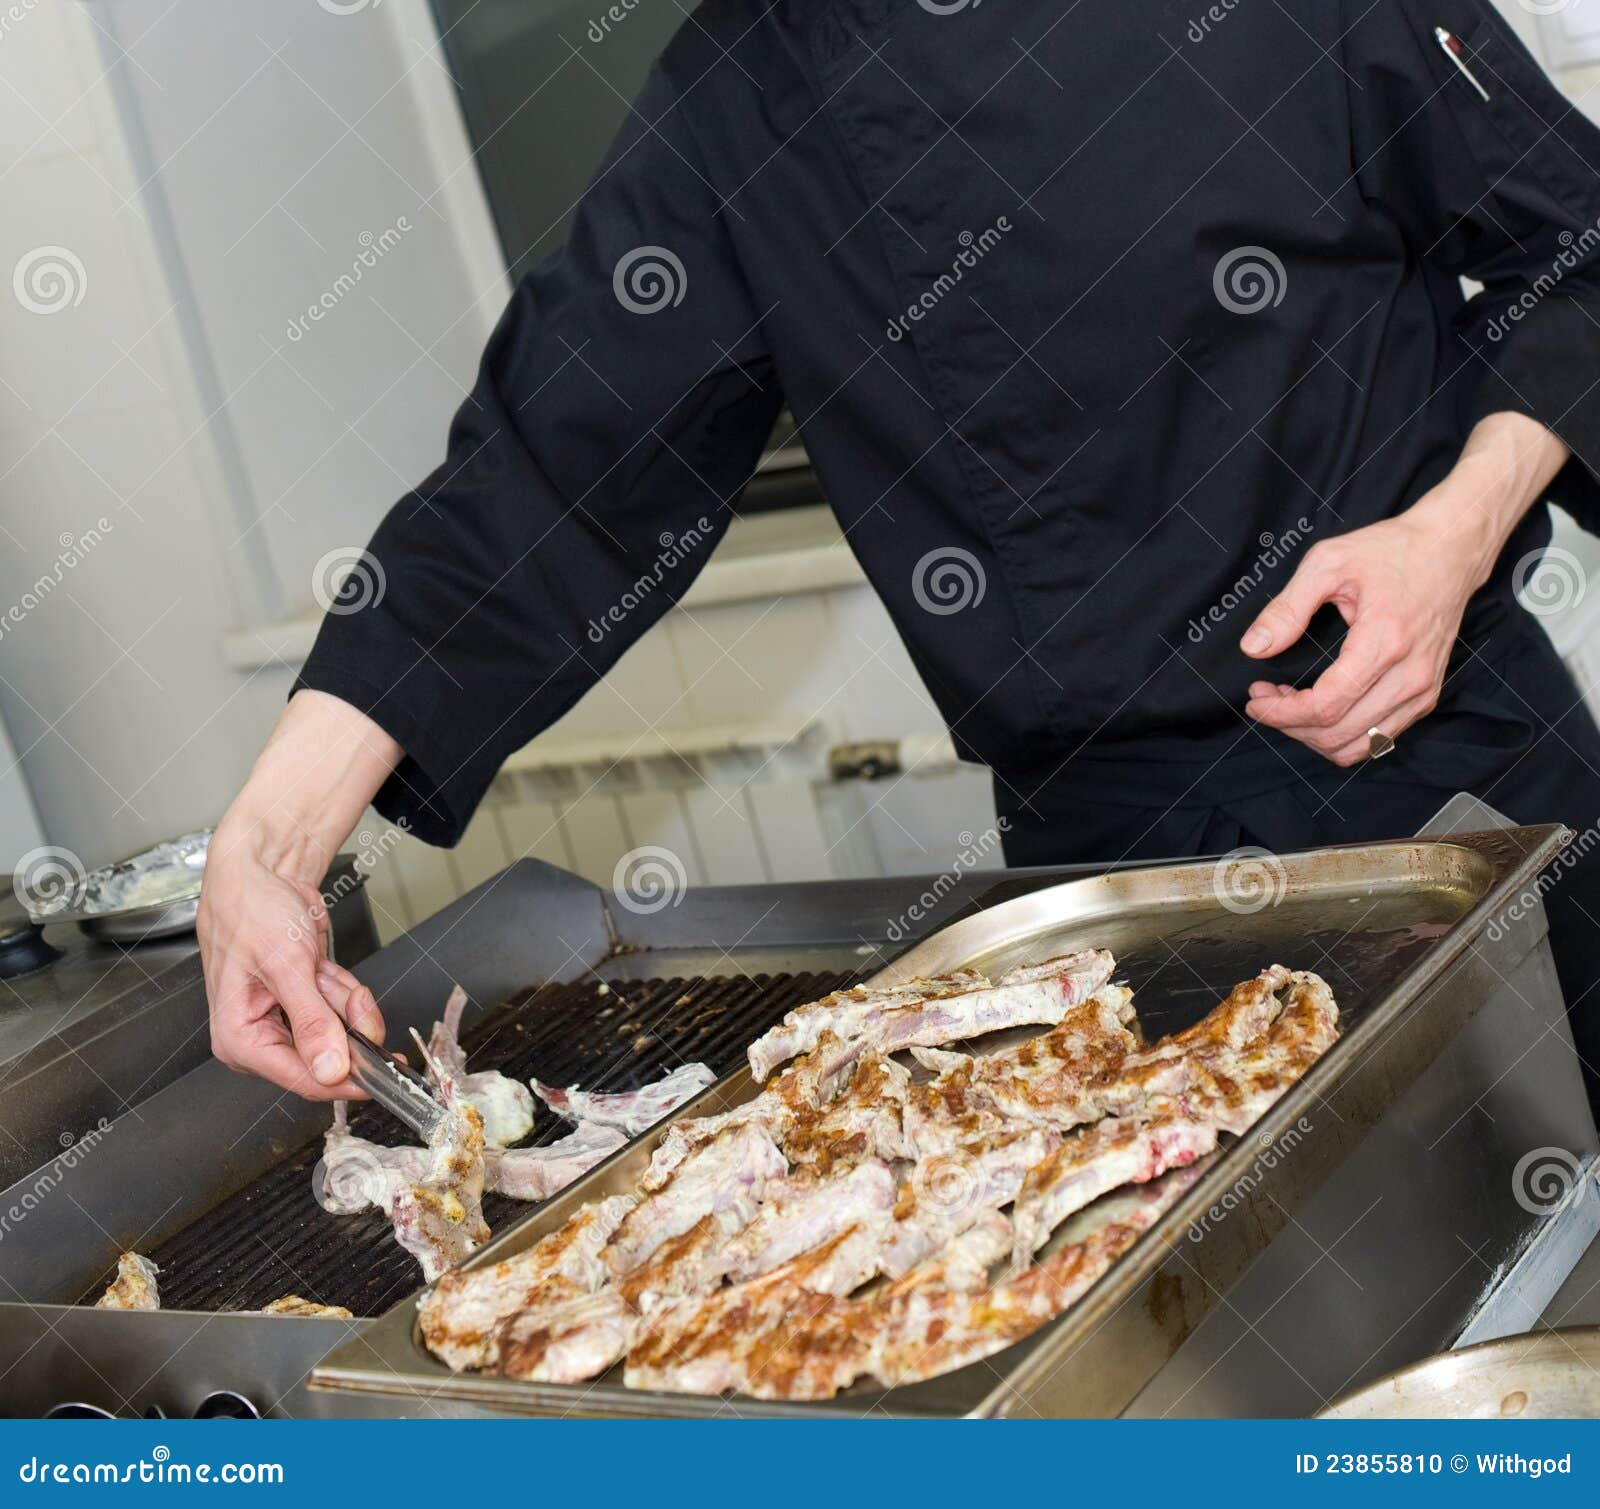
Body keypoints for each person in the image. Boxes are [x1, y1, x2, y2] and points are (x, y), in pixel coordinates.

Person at [199, 0, 1600, 1107]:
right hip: (1109, 884)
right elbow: (543, 482)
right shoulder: (744, 91)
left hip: (1445, 783)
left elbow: (1578, 249)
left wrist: (1453, 530)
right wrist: (268, 844)